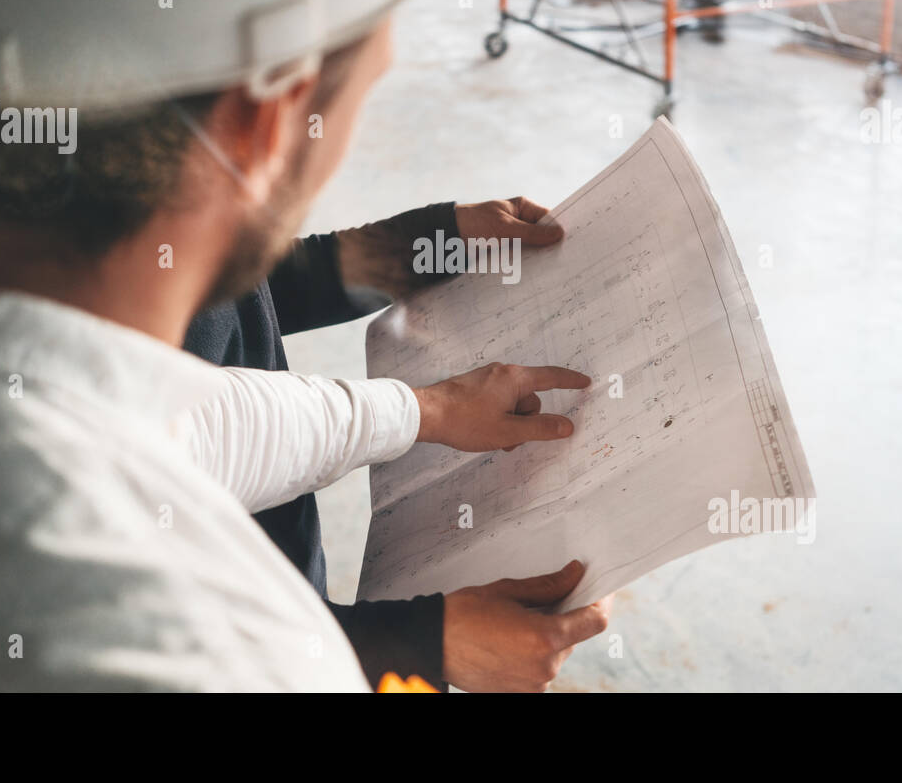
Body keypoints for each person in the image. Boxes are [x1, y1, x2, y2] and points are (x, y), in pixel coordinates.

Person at [0, 0, 610, 690]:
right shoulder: (220, 658)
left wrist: (425, 382)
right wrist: (415, 646)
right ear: (268, 119)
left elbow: (204, 406)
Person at [186, 196, 612, 691]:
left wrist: (433, 241)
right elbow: (168, 646)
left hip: (290, 591)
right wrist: (421, 645)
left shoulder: (126, 218)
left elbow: (243, 289)